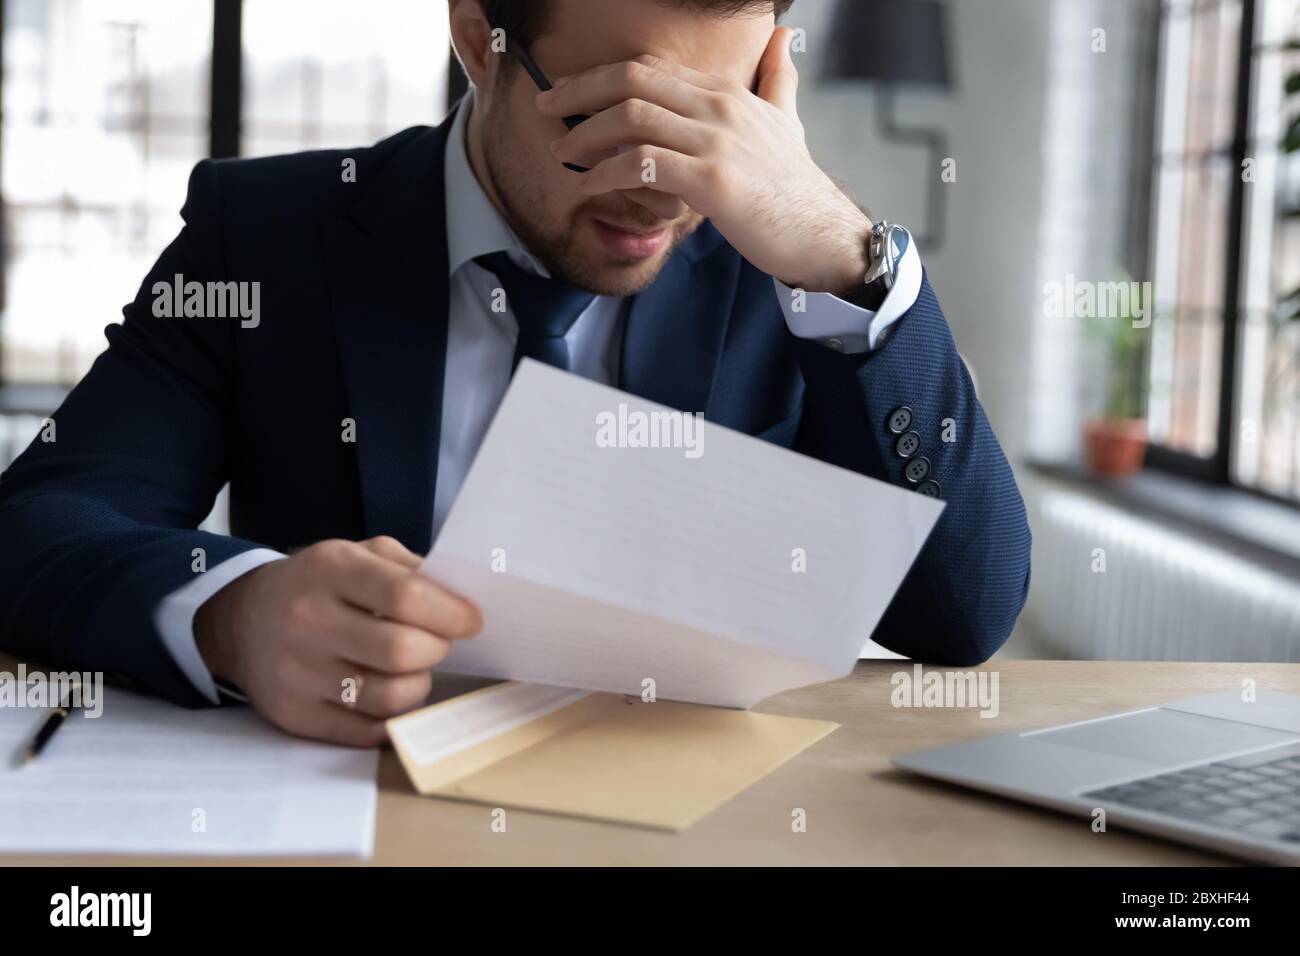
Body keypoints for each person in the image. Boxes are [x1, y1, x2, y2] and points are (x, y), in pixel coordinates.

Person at [0, 0, 1030, 746]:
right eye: (608, 119)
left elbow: (961, 615)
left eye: (708, 120)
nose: (659, 189)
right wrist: (232, 612)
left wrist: (846, 257)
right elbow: (37, 525)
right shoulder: (264, 238)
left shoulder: (795, 276)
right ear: (474, 40)